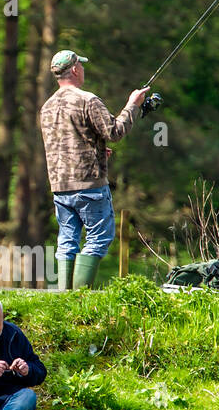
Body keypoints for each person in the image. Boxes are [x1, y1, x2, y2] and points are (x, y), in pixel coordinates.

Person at [39, 49, 150, 289]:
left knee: (67, 240)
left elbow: (65, 142)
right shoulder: (87, 100)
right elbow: (115, 132)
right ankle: (79, 299)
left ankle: (64, 299)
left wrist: (99, 150)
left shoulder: (46, 107)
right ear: (76, 70)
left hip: (60, 186)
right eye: (82, 66)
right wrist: (133, 104)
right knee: (98, 238)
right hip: (88, 185)